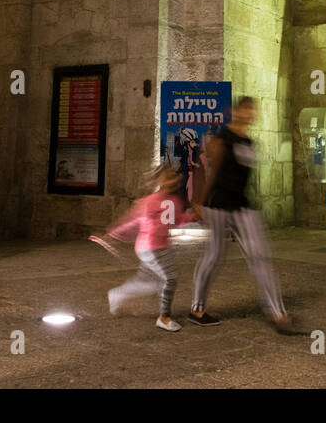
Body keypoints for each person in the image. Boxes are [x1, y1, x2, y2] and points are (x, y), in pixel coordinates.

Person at [189, 96, 295, 333]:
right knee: (215, 256)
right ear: (235, 111)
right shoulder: (221, 139)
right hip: (218, 204)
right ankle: (197, 308)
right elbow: (206, 170)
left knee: (260, 256)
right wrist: (198, 202)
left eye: (252, 110)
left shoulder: (250, 142)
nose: (249, 114)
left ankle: (278, 313)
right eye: (245, 109)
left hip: (242, 205)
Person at [94, 165, 197, 332]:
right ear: (159, 181)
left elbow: (177, 219)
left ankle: (118, 294)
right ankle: (164, 317)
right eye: (168, 177)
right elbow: (132, 221)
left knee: (151, 283)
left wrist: (193, 217)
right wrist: (113, 235)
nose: (173, 180)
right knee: (170, 279)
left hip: (163, 247)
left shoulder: (175, 201)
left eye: (174, 176)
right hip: (150, 248)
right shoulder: (150, 201)